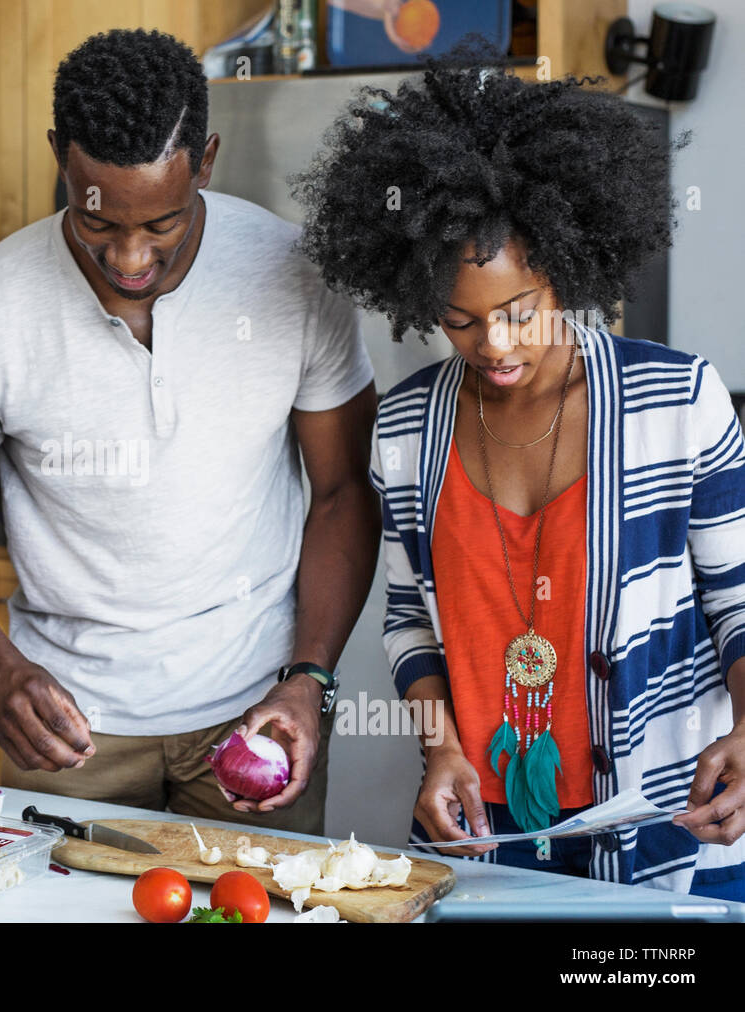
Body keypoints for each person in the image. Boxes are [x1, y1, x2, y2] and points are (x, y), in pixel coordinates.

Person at [0, 28, 379, 832]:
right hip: (70, 731)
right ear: (60, 157)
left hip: (254, 716)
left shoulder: (294, 278)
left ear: (208, 161)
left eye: (161, 222)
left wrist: (310, 678)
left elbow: (339, 492)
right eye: (99, 222)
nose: (128, 256)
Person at [292, 56, 745, 897]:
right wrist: (442, 748)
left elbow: (737, 601)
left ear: (567, 273)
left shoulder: (676, 402)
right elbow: (407, 623)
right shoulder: (406, 425)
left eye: (518, 312)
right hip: (483, 840)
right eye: (459, 321)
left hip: (667, 824)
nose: (493, 347)